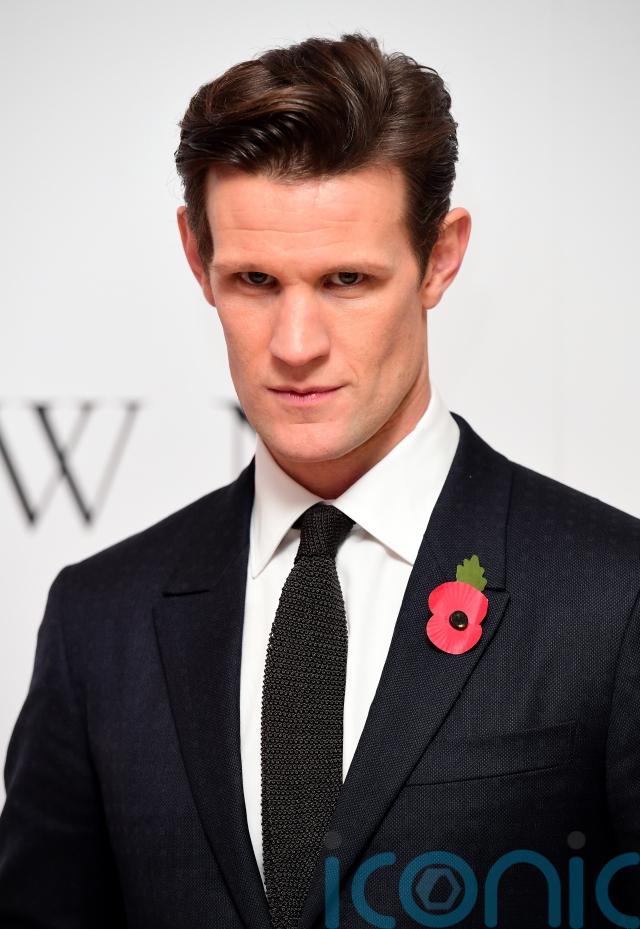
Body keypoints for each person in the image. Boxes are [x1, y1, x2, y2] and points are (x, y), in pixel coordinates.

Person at [0, 31, 638, 929]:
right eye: (256, 280)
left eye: (346, 279)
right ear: (197, 257)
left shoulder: (615, 596)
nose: (296, 344)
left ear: (441, 257)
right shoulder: (98, 622)